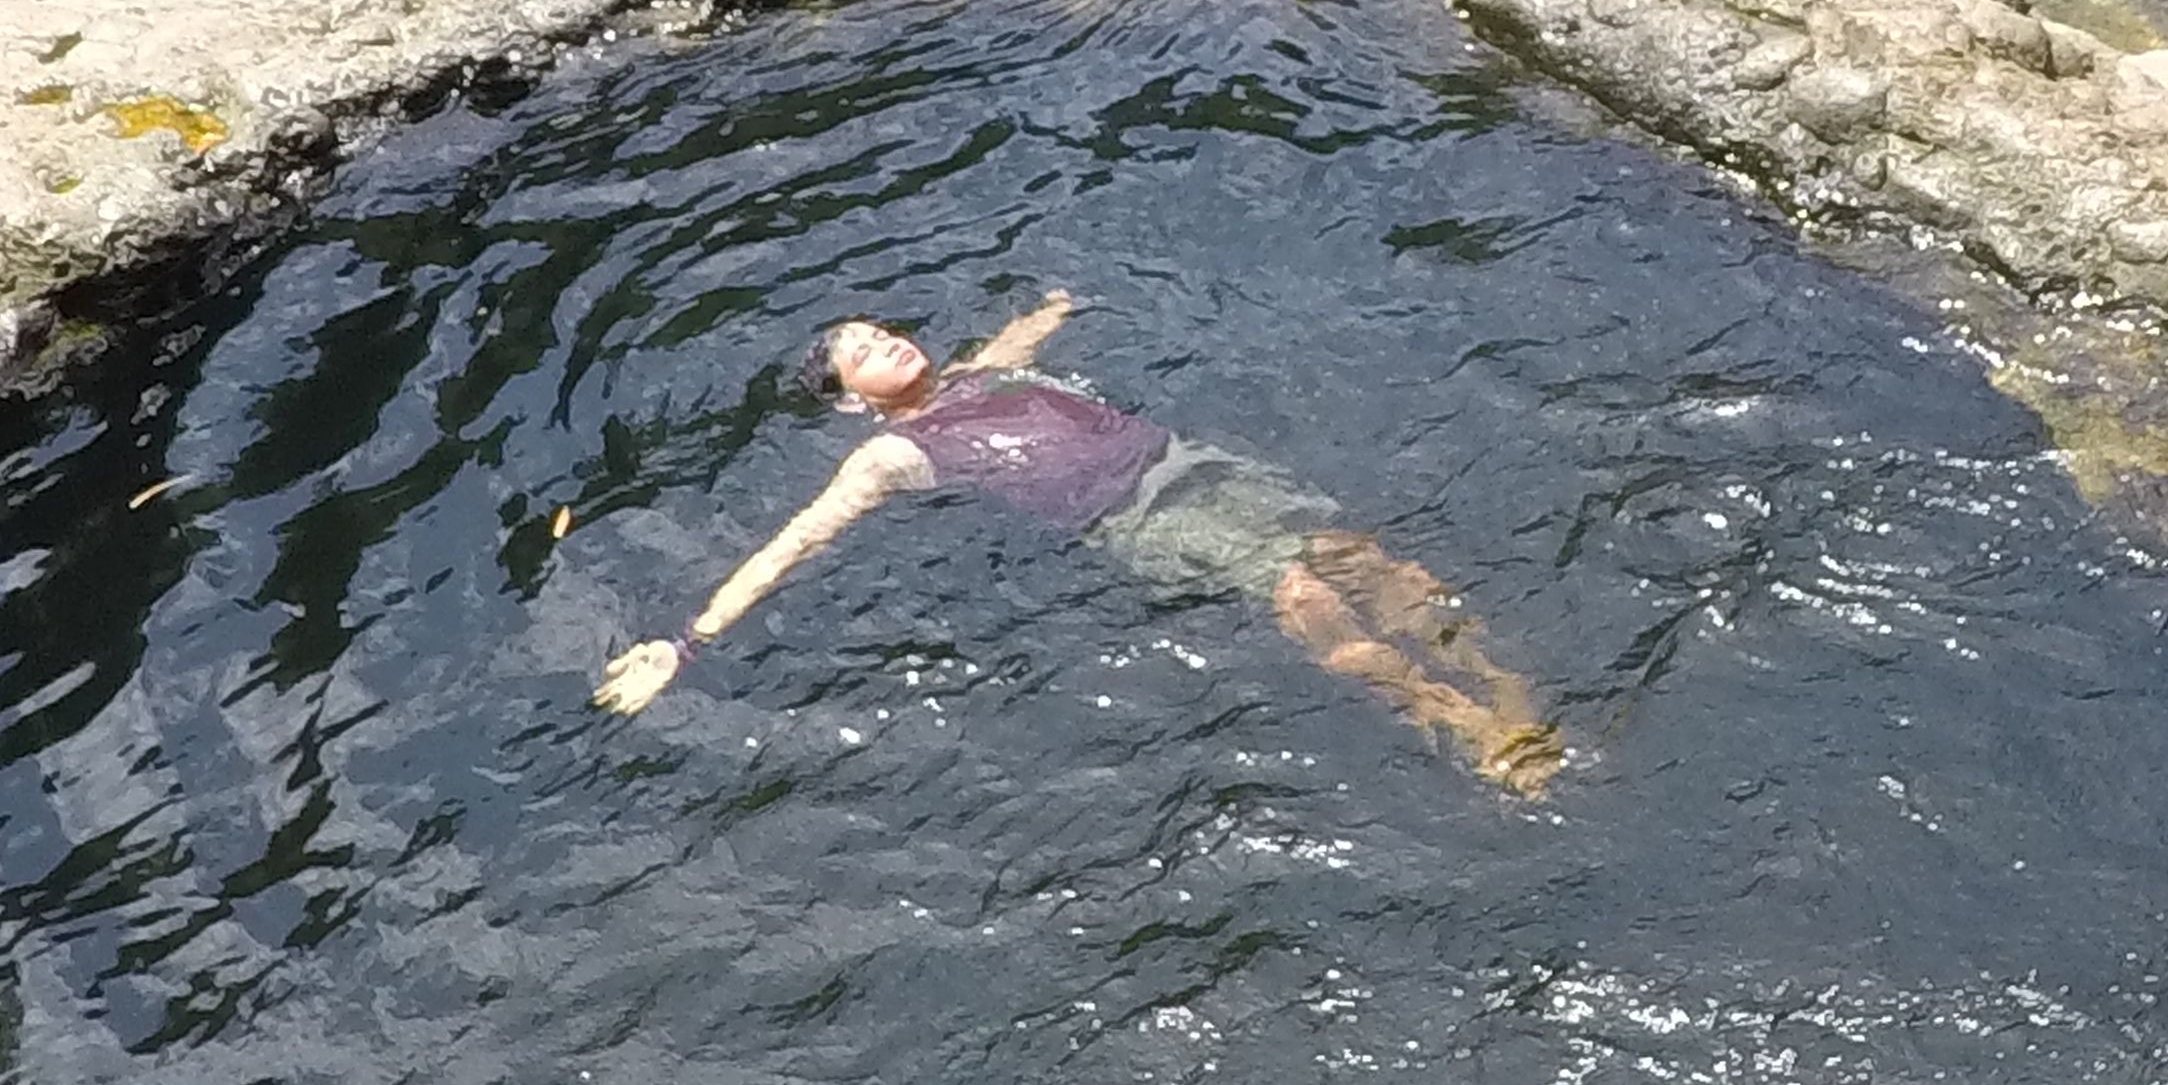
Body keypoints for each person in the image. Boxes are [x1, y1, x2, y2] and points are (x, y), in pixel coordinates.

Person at [589, 292, 1563, 797]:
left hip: (1193, 465)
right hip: (1138, 519)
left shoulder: (978, 371)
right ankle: (1464, 725)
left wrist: (1063, 297)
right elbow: (789, 544)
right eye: (864, 351)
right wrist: (688, 642)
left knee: (1367, 560)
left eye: (883, 330)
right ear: (852, 401)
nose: (887, 342)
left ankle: (1506, 689)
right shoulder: (889, 455)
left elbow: (1032, 322)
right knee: (1304, 597)